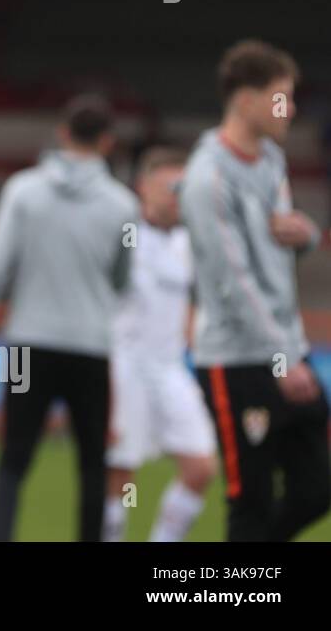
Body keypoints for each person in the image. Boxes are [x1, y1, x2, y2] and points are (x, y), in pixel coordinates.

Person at [0, 95, 138, 541]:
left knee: (13, 460)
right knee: (93, 465)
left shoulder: (23, 190)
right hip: (91, 347)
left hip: (28, 343)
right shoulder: (123, 206)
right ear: (107, 142)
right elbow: (123, 278)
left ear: (62, 133)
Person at [179, 39, 330, 541]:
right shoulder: (207, 176)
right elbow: (230, 280)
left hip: (286, 351)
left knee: (317, 486)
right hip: (236, 360)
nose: (290, 110)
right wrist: (282, 356)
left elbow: (280, 237)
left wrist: (306, 234)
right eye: (280, 97)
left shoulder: (270, 160)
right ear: (245, 100)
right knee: (252, 501)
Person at [102, 147, 216, 542]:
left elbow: (192, 301)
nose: (176, 197)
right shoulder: (122, 232)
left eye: (182, 189)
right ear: (142, 189)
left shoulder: (189, 241)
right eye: (168, 188)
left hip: (170, 368)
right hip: (124, 367)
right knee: (119, 475)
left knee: (201, 468)